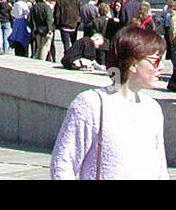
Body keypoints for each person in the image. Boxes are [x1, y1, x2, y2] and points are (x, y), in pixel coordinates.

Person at [50, 26, 168, 180]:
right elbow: (63, 164)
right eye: (156, 61)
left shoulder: (152, 109)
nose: (162, 67)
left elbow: (160, 167)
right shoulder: (91, 104)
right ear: (133, 64)